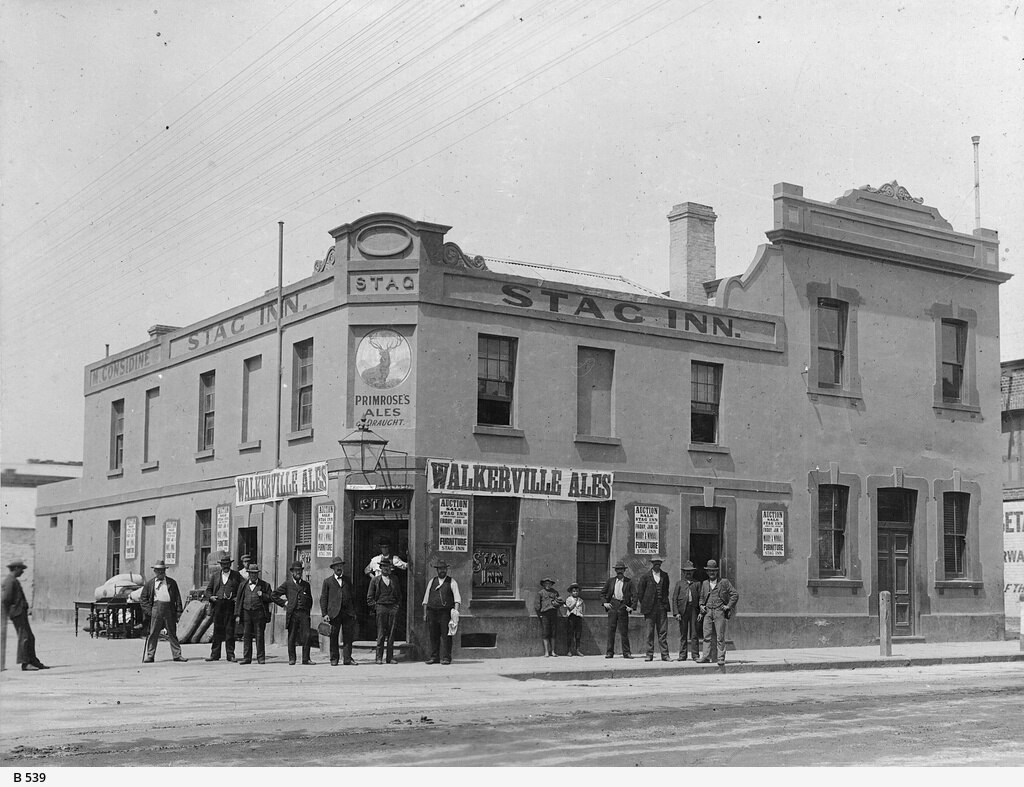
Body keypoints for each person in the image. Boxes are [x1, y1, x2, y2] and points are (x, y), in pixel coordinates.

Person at [2, 559, 48, 671]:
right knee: (24, 637)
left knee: (30, 637)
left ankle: (33, 661)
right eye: (21, 569)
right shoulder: (9, 581)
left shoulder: (13, 580)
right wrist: (9, 612)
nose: (22, 572)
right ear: (16, 568)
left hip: (20, 612)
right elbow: (5, 599)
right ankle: (25, 663)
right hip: (17, 613)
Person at [140, 559, 187, 663]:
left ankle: (177, 655)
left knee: (172, 633)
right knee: (153, 633)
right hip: (156, 609)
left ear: (165, 571)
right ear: (155, 571)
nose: (160, 573)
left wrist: (179, 611)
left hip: (169, 609)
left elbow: (177, 598)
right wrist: (149, 611)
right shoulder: (150, 584)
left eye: (162, 571)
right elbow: (143, 599)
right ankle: (150, 655)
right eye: (158, 571)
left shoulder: (171, 582)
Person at [272, 561, 315, 665]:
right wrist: (284, 603)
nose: (298, 572)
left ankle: (306, 659)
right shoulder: (287, 584)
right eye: (296, 571)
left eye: (300, 570)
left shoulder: (306, 585)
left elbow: (310, 600)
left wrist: (307, 610)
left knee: (307, 635)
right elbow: (274, 595)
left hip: (304, 614)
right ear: (292, 572)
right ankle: (292, 658)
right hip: (293, 614)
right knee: (292, 636)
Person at [697, 559, 739, 665]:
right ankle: (706, 656)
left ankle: (721, 658)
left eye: (714, 571)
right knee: (706, 636)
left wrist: (728, 606)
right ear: (707, 572)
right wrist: (701, 606)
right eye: (710, 571)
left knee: (720, 636)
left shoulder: (724, 582)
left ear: (717, 572)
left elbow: (735, 594)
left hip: (719, 611)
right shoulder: (705, 583)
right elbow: (701, 597)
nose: (712, 573)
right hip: (707, 612)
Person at [320, 557, 359, 666]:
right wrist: (325, 614)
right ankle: (334, 658)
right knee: (333, 636)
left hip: (347, 613)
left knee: (348, 636)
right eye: (337, 566)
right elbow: (323, 598)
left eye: (340, 566)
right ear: (333, 568)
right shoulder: (327, 581)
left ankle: (347, 658)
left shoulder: (347, 580)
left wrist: (353, 612)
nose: (339, 568)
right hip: (334, 613)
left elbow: (353, 597)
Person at [204, 551, 242, 662]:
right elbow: (208, 590)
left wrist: (237, 598)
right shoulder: (215, 576)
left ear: (230, 564)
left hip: (230, 605)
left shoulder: (236, 575)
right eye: (223, 564)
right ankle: (215, 654)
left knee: (230, 631)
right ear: (221, 565)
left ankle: (230, 654)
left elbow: (243, 587)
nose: (225, 566)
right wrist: (211, 597)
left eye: (227, 564)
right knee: (217, 631)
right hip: (218, 605)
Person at [421, 560, 460, 665]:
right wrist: (425, 614)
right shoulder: (432, 581)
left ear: (446, 570)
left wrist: (455, 614)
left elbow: (457, 599)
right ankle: (434, 657)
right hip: (432, 612)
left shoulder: (452, 582)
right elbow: (426, 599)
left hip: (445, 613)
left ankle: (446, 658)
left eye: (444, 569)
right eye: (440, 569)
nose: (442, 571)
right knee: (433, 635)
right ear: (437, 570)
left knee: (446, 635)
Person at [366, 557, 402, 664]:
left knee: (391, 634)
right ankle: (379, 657)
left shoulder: (394, 579)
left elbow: (399, 595)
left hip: (392, 608)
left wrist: (397, 606)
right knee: (381, 633)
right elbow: (369, 597)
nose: (386, 569)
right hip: (381, 607)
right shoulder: (375, 580)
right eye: (384, 567)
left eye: (388, 567)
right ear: (380, 568)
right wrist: (376, 607)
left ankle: (389, 657)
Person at [235, 564, 273, 664]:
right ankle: (247, 658)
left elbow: (271, 598)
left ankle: (261, 658)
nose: (253, 576)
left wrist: (263, 595)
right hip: (246, 612)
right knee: (246, 635)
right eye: (251, 573)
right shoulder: (243, 585)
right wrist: (238, 615)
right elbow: (239, 600)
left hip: (259, 613)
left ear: (258, 574)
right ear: (248, 574)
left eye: (255, 574)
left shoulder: (265, 585)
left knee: (259, 635)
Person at [635, 556, 672, 661]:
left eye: (659, 563)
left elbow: (666, 590)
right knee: (649, 632)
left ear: (661, 564)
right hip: (650, 609)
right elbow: (640, 593)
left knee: (663, 632)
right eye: (655, 563)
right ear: (652, 564)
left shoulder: (665, 576)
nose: (657, 564)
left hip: (662, 607)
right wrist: (646, 603)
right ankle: (649, 654)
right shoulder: (645, 577)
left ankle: (665, 655)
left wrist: (663, 602)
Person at [600, 561, 634, 659]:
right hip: (613, 606)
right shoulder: (610, 581)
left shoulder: (629, 582)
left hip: (623, 606)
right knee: (611, 630)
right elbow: (602, 593)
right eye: (618, 569)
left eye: (621, 569)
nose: (619, 571)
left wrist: (631, 606)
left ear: (624, 571)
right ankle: (610, 652)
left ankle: (626, 653)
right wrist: (605, 603)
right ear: (615, 570)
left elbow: (635, 595)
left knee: (624, 631)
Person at [672, 560, 701, 662]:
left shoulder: (697, 584)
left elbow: (701, 598)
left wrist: (700, 612)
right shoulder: (679, 584)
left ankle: (695, 655)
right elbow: (674, 598)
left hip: (693, 610)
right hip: (682, 610)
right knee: (683, 634)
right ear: (683, 573)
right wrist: (676, 613)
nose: (688, 573)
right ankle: (682, 655)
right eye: (686, 571)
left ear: (693, 572)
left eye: (690, 571)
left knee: (694, 633)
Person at [534, 577, 565, 657]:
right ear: (543, 584)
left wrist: (557, 603)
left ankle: (553, 651)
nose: (548, 585)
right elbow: (537, 605)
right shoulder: (540, 593)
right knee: (545, 633)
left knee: (553, 633)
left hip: (554, 614)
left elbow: (560, 602)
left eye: (549, 584)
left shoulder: (555, 592)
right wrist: (539, 614)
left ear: (551, 584)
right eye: (546, 583)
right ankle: (546, 652)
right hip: (545, 614)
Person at [564, 582, 585, 656]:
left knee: (578, 634)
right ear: (571, 592)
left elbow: (583, 609)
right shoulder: (569, 599)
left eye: (577, 591)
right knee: (570, 634)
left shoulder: (581, 600)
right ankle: (569, 650)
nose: (575, 593)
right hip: (571, 617)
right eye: (574, 591)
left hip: (578, 617)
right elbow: (569, 608)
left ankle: (577, 650)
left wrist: (581, 614)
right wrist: (575, 602)